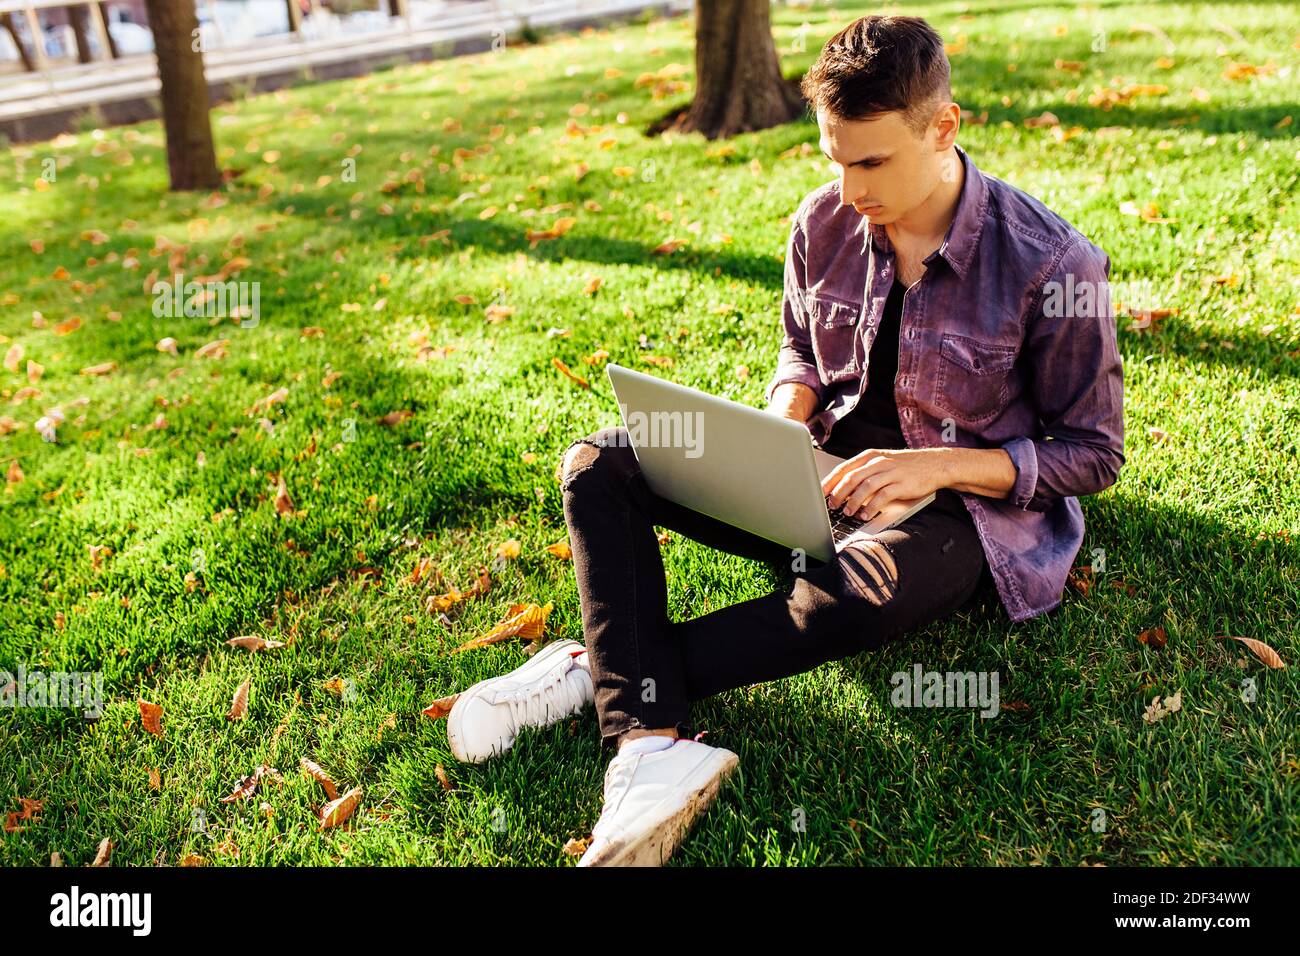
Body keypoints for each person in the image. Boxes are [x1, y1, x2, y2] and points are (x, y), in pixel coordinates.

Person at [446, 13, 1125, 866]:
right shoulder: (822, 223)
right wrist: (784, 422)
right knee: (598, 463)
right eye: (834, 160)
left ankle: (603, 678)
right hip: (813, 475)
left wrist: (934, 465)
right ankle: (651, 739)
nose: (849, 190)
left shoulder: (1053, 263)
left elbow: (1092, 452)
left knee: (858, 594)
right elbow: (801, 348)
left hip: (954, 515)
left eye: (872, 161)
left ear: (944, 127)